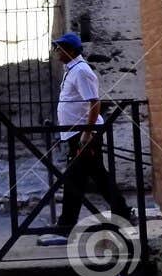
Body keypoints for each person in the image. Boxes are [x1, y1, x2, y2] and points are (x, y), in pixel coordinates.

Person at [38, 32, 133, 244]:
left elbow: (95, 103)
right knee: (95, 176)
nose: (56, 52)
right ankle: (124, 213)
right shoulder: (71, 70)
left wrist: (87, 134)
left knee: (75, 181)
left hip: (84, 133)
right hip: (77, 133)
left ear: (71, 50)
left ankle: (66, 228)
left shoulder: (81, 71)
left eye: (59, 48)